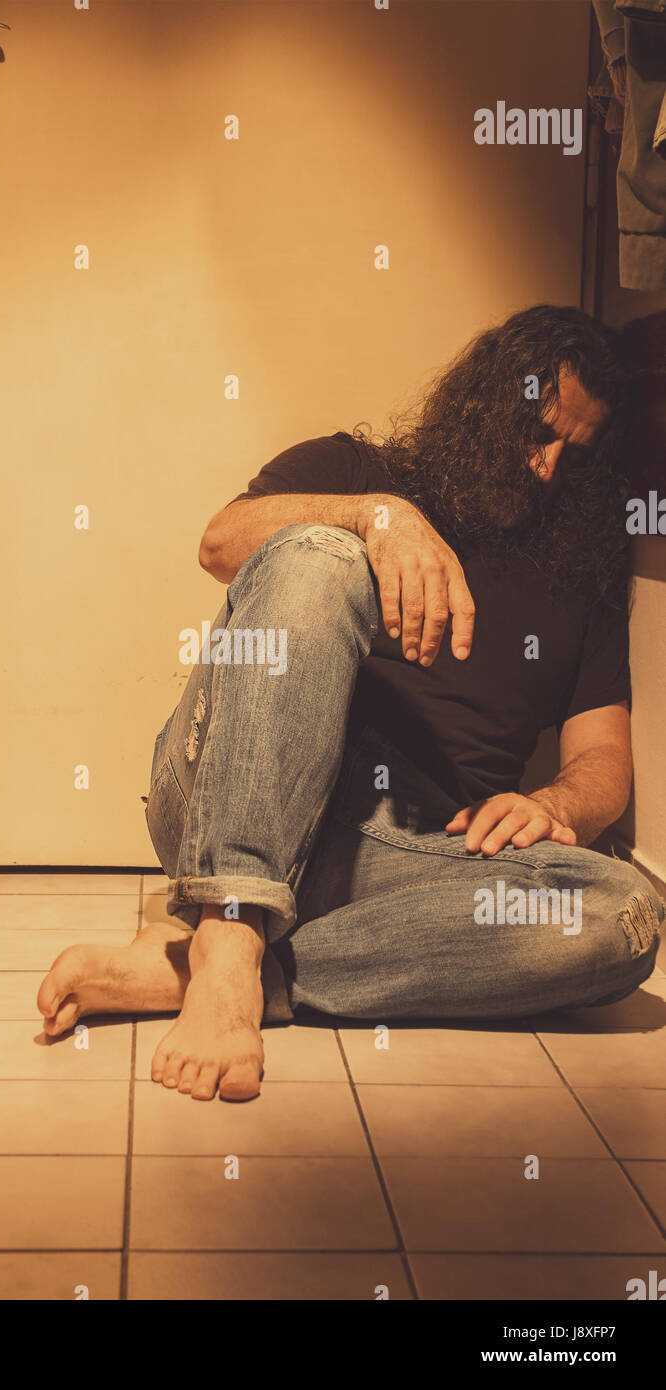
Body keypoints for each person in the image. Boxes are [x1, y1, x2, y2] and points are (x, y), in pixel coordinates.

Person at [38, 305, 663, 1101]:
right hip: (231, 786)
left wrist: (552, 804)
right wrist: (375, 516)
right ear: (487, 404)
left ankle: (216, 970)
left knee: (622, 914)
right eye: (535, 434)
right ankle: (231, 924)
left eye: (576, 454)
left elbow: (604, 762)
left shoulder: (584, 574)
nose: (546, 468)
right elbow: (219, 543)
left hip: (406, 858)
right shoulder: (355, 468)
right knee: (319, 554)